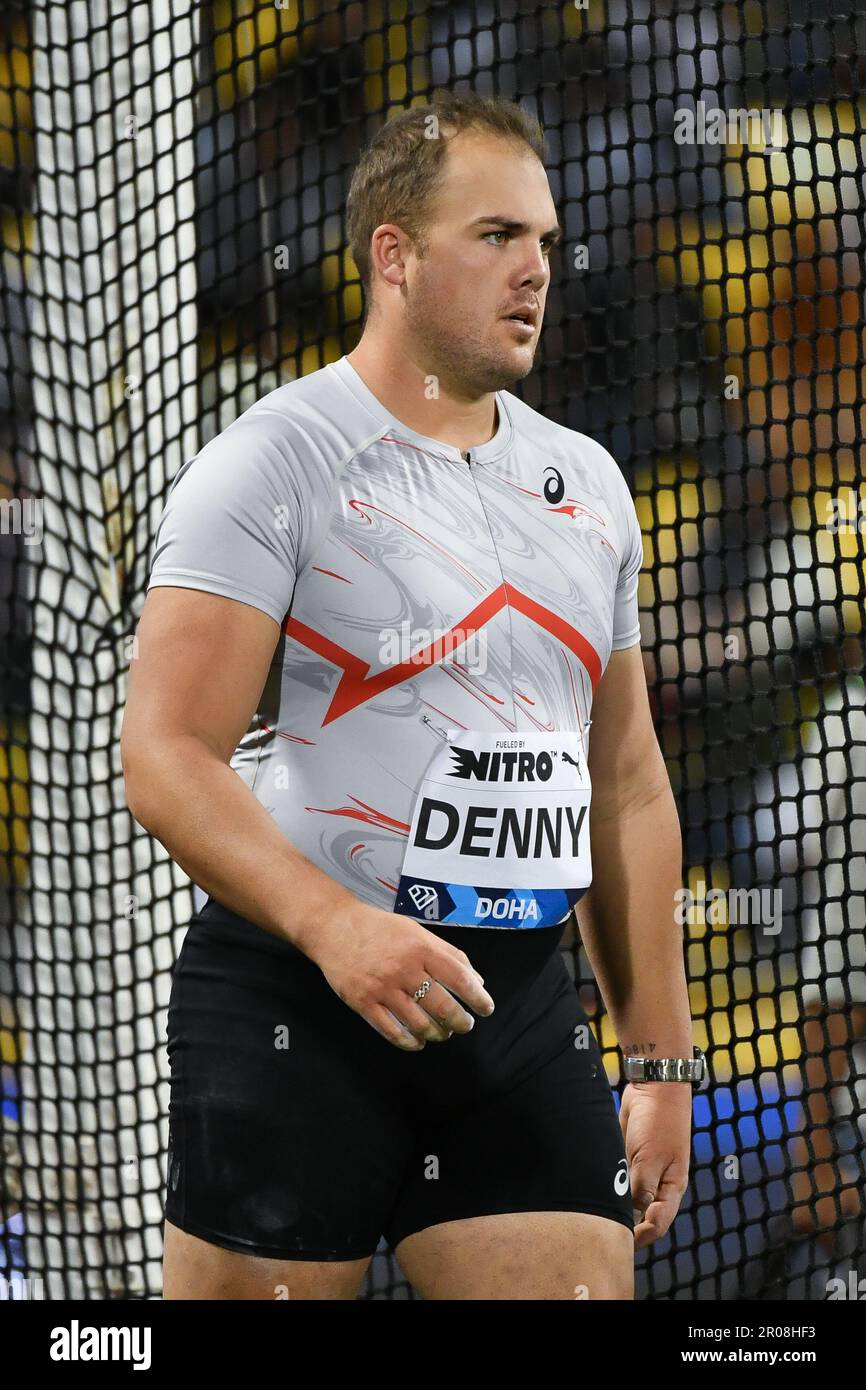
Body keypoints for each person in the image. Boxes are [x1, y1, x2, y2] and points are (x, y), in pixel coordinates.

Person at [121, 90, 695, 1301]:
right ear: (392, 255)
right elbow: (165, 755)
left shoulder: (583, 482)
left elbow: (626, 782)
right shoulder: (274, 461)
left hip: (514, 1008)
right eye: (495, 237)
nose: (537, 269)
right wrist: (337, 931)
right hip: (298, 1001)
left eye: (543, 239)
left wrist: (659, 1059)